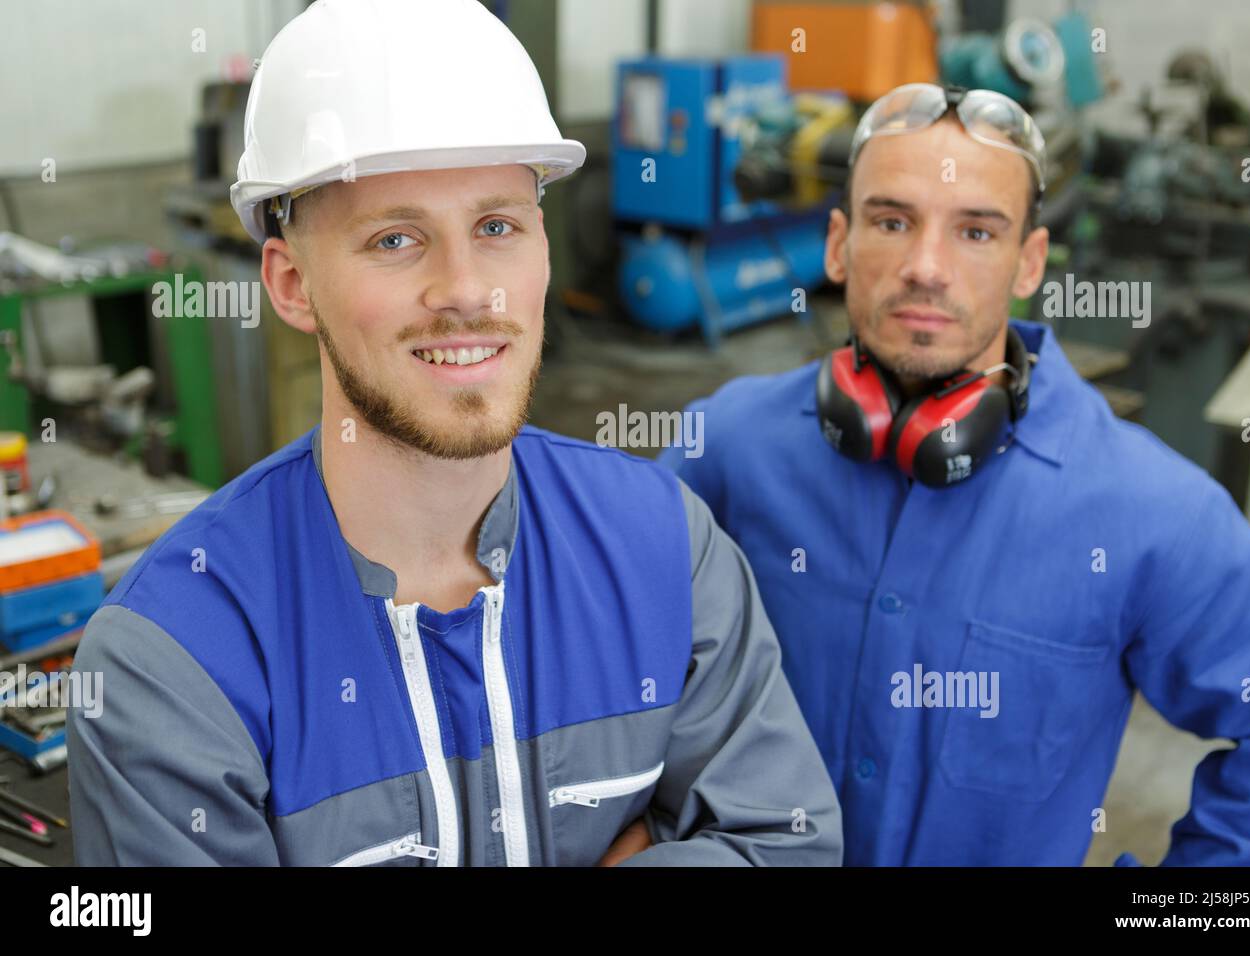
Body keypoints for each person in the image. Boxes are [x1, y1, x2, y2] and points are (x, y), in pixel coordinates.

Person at [66, 0, 841, 867]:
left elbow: (785, 841)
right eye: (396, 239)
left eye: (498, 226)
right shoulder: (172, 658)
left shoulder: (663, 545)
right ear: (289, 285)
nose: (467, 290)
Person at [662, 83, 1250, 866]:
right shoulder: (727, 447)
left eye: (975, 231)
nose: (927, 268)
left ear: (1030, 261)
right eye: (892, 221)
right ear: (837, 243)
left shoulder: (1149, 512)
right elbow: (598, 636)